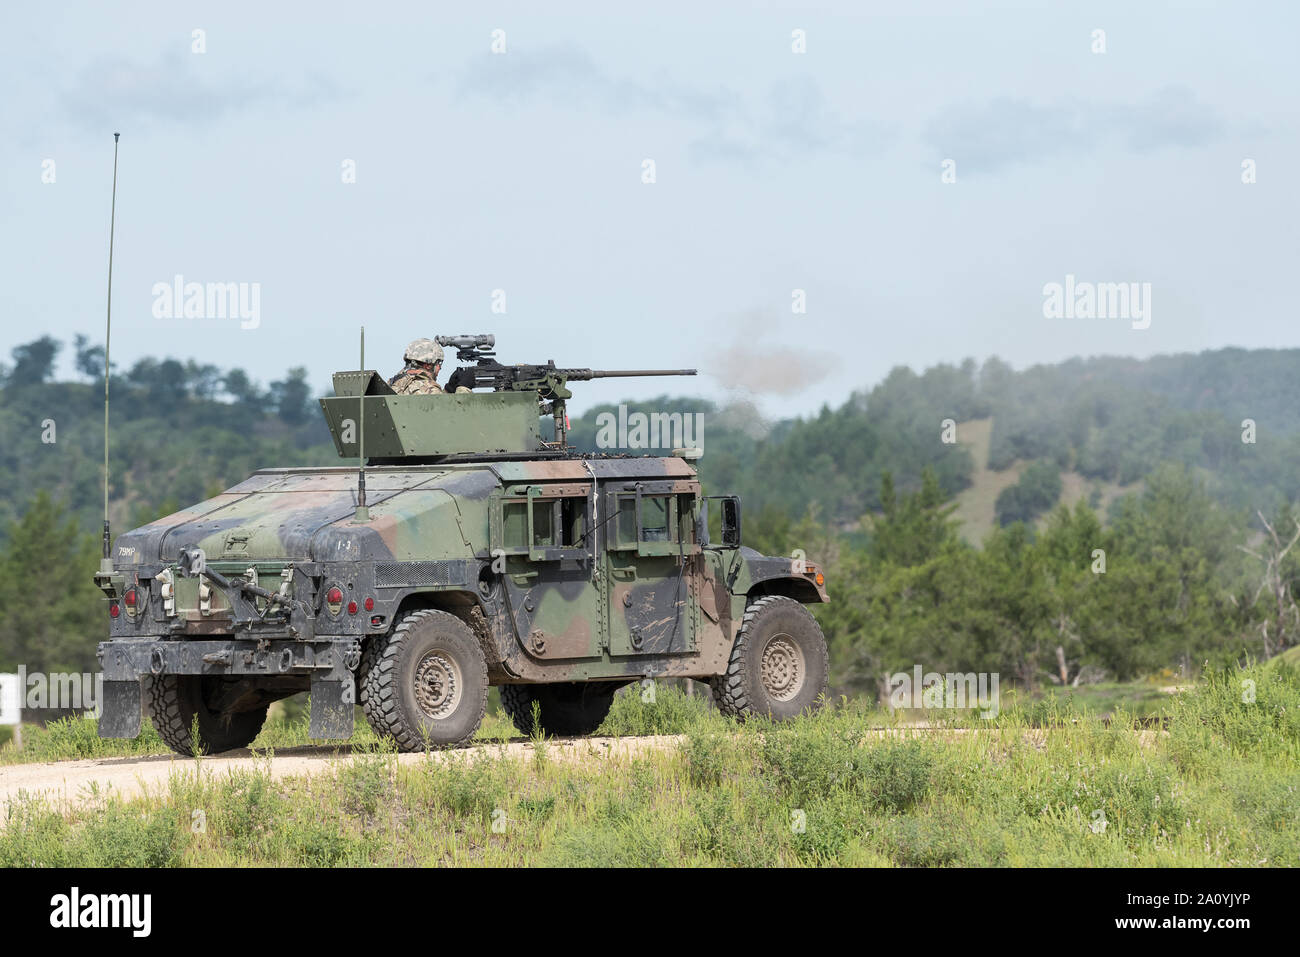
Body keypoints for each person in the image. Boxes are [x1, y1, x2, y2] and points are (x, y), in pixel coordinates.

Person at [388, 338, 471, 395]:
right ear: (428, 366)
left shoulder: (393, 383)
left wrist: (448, 389)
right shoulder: (426, 387)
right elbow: (452, 415)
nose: (440, 368)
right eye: (439, 363)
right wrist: (464, 388)